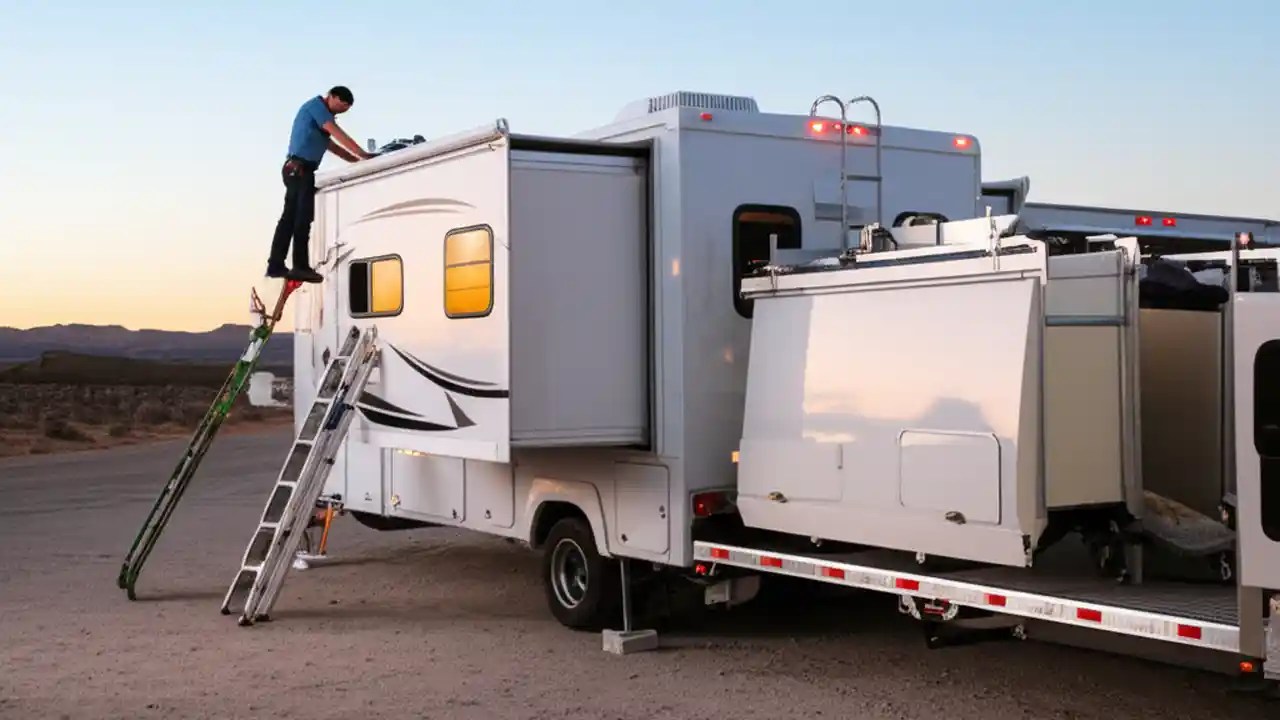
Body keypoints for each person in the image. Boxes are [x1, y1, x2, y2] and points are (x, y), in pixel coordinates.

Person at [267, 86, 374, 283]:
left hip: (297, 169)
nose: (340, 114)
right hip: (299, 169)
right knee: (302, 219)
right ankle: (299, 266)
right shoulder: (317, 108)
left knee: (289, 219)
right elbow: (338, 134)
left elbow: (333, 146)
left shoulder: (320, 121)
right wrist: (363, 154)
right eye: (341, 108)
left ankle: (275, 265)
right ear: (332, 96)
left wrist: (357, 161)